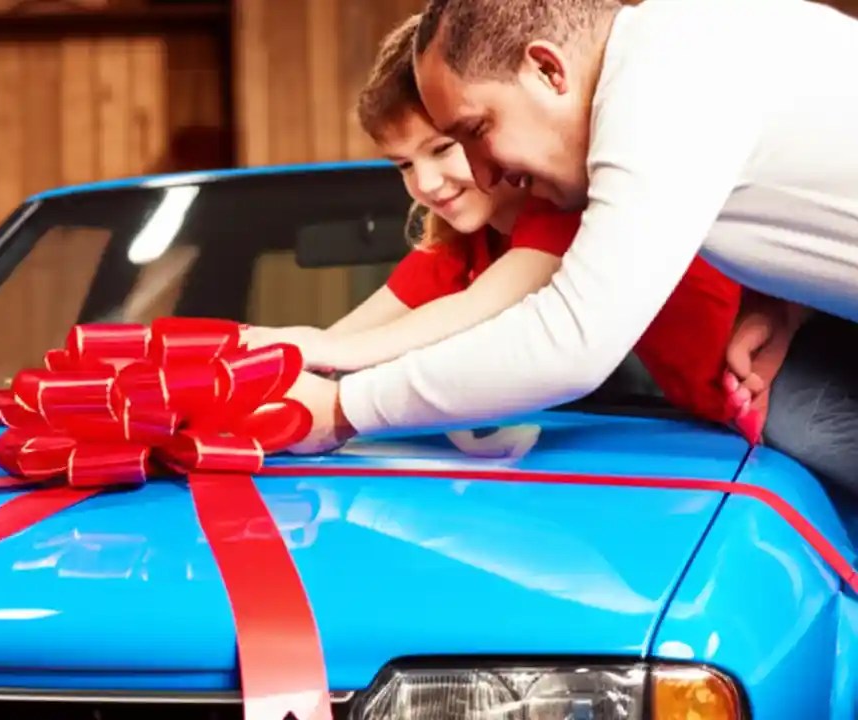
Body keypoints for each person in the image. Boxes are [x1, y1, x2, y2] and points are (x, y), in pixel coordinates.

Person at [283, 0, 858, 493]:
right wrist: (781, 300)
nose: (485, 177)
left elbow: (572, 339)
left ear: (547, 71)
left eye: (476, 130)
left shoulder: (664, 87)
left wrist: (342, 410)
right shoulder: (690, 47)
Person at [249, 14, 748, 449]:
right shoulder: (458, 244)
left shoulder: (566, 208)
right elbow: (351, 335)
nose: (424, 184)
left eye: (445, 148)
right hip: (712, 413)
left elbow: (476, 308)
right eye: (403, 164)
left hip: (764, 388)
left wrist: (329, 360)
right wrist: (271, 365)